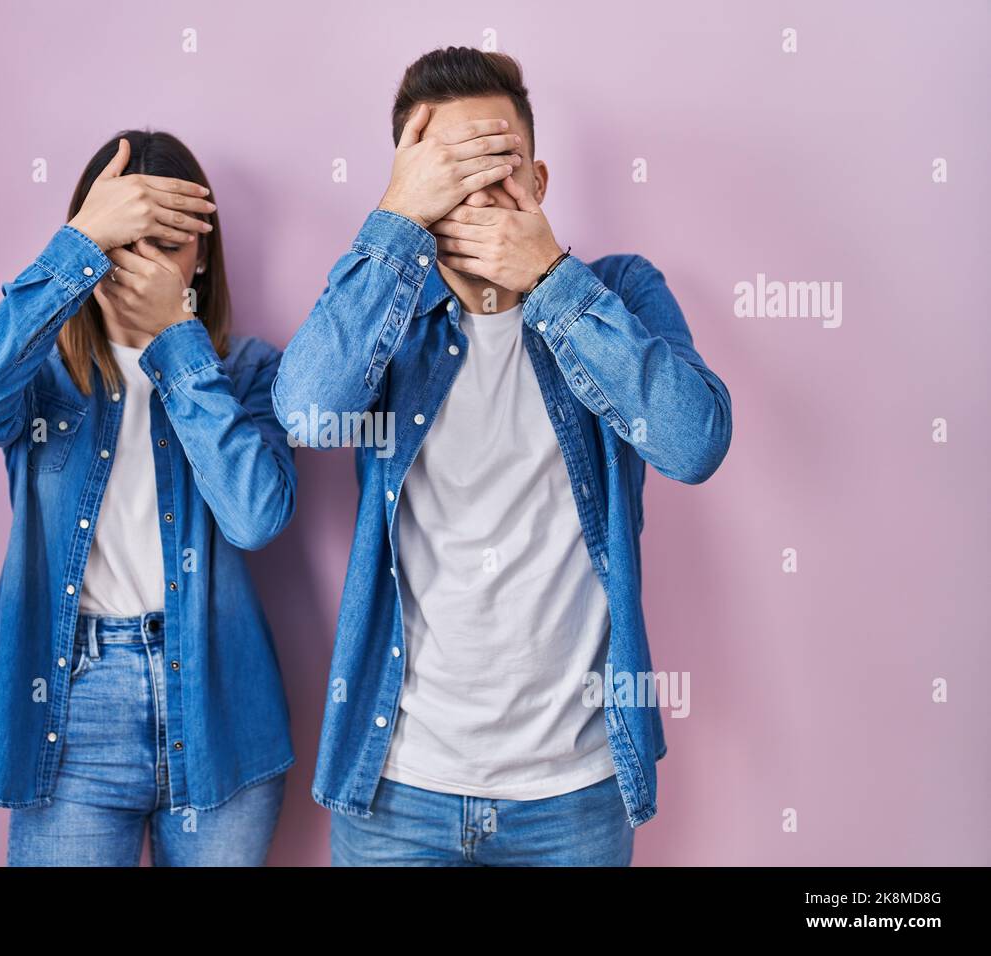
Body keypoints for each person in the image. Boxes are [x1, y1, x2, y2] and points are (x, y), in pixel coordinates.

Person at [273, 48, 732, 866]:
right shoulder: (389, 317)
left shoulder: (617, 293)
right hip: (398, 781)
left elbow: (693, 442)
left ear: (542, 182)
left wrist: (551, 277)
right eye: (449, 171)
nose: (476, 195)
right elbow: (307, 413)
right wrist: (395, 223)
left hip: (574, 792)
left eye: (499, 168)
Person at [0, 130, 296, 866]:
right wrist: (75, 247)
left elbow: (256, 516)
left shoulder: (248, 370)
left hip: (220, 704)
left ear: (202, 256)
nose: (144, 264)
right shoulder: (41, 377)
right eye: (126, 239)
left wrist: (177, 340)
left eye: (169, 241)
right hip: (71, 706)